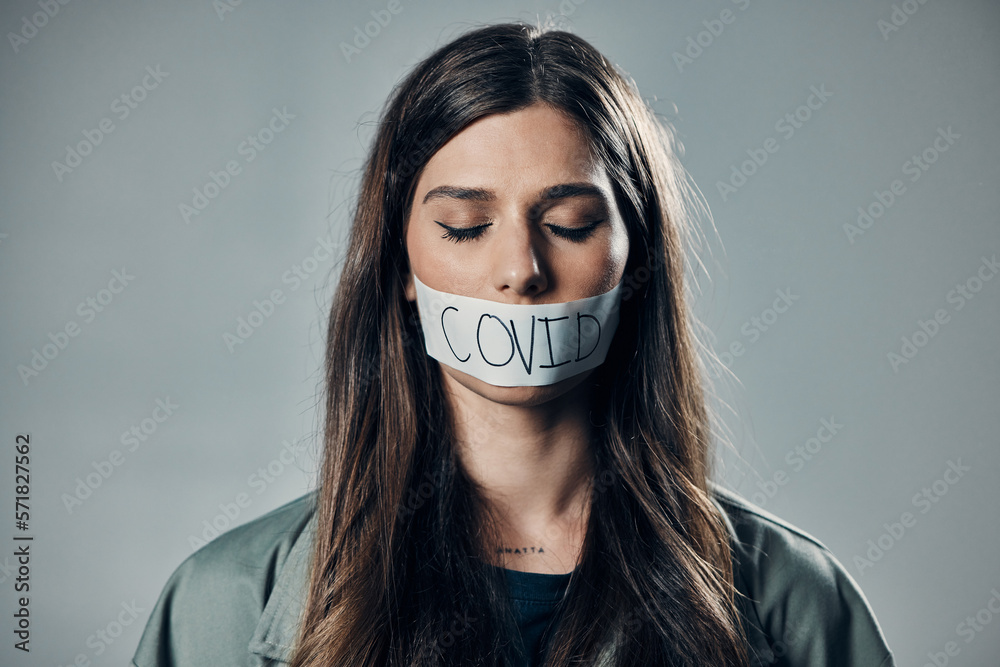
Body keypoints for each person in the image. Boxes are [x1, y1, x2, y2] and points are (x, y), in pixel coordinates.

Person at [131, 21, 895, 667]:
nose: (519, 271)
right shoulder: (221, 603)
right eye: (465, 226)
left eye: (568, 225)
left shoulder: (798, 602)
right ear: (400, 264)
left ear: (639, 262)